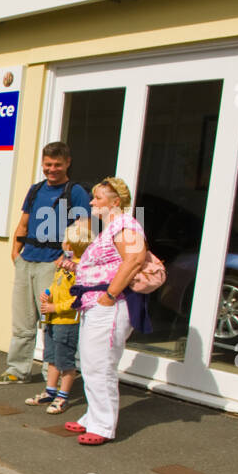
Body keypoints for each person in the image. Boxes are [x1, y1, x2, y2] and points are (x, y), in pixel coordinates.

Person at [0, 141, 91, 384]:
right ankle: (17, 370)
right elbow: (23, 223)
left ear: (67, 163)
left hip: (53, 266)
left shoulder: (75, 191)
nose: (52, 169)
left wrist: (67, 257)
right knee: (22, 321)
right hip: (27, 261)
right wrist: (16, 251)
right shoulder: (36, 190)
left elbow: (84, 229)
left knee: (52, 323)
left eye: (58, 164)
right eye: (48, 164)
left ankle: (53, 375)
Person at [65, 177, 146, 445]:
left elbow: (134, 260)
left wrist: (110, 295)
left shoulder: (126, 225)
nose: (91, 202)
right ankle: (93, 416)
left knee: (100, 366)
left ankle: (103, 425)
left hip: (110, 305)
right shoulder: (111, 227)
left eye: (98, 198)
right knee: (90, 363)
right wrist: (78, 269)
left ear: (116, 202)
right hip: (97, 304)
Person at [26, 220, 90, 414]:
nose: (62, 243)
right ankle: (50, 391)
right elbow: (56, 285)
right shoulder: (64, 264)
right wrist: (48, 294)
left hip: (67, 322)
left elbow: (76, 300)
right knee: (51, 357)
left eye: (64, 240)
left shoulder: (80, 270)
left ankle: (63, 397)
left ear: (70, 244)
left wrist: (55, 306)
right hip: (53, 320)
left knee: (66, 362)